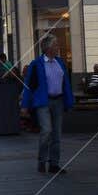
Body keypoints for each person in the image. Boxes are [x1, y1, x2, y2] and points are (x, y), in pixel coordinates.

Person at [20, 35, 74, 174]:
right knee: (46, 131)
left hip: (58, 101)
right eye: (55, 44)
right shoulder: (36, 64)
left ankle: (54, 164)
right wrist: (25, 106)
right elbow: (29, 86)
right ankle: (42, 160)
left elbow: (66, 84)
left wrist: (69, 101)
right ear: (48, 48)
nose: (58, 47)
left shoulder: (60, 63)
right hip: (43, 102)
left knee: (57, 134)